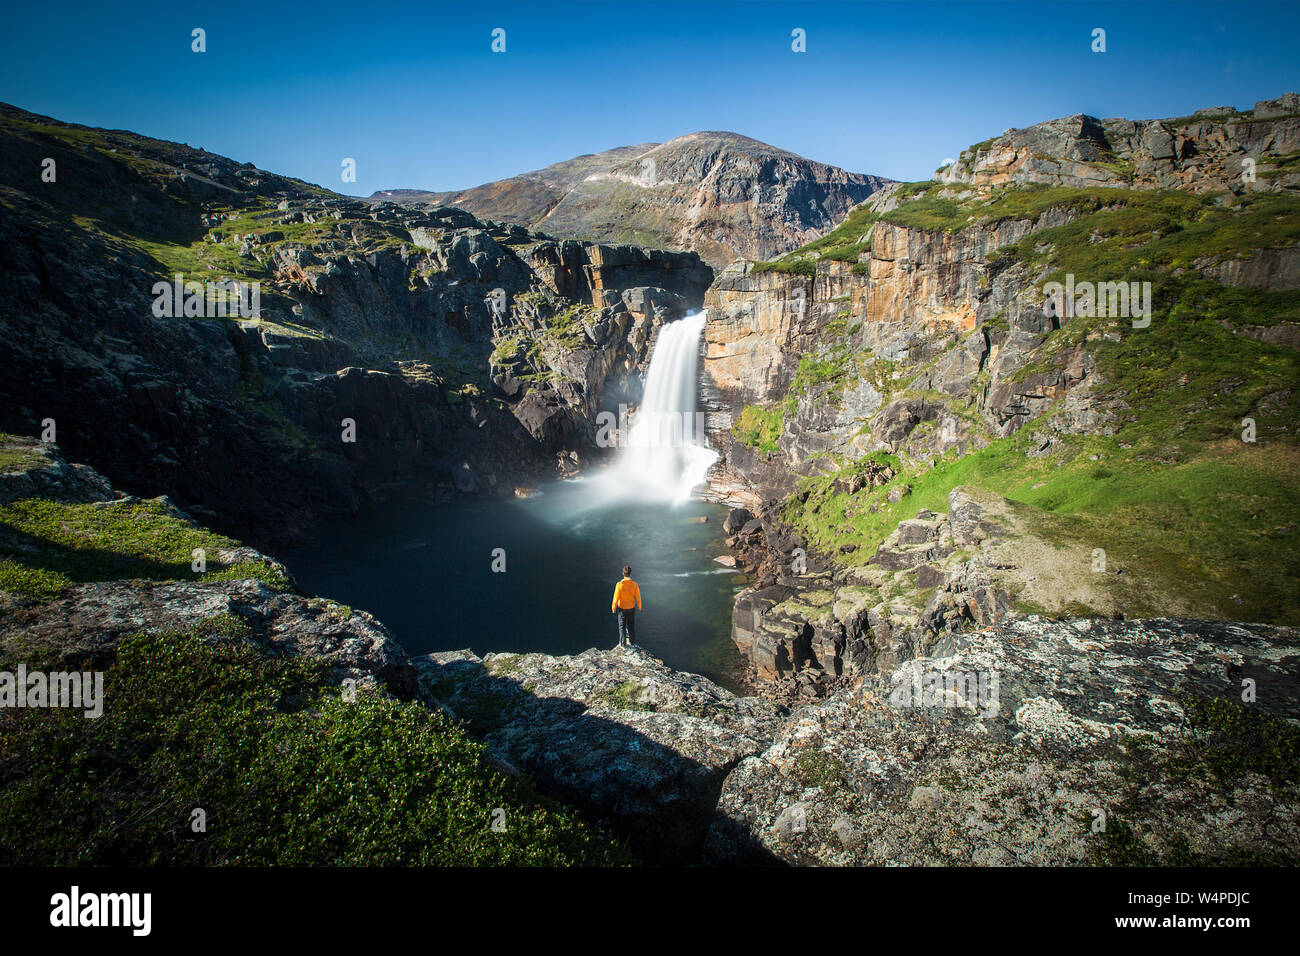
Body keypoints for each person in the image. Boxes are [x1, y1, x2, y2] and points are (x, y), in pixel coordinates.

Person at [611, 565, 641, 647]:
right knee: (631, 625)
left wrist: (613, 607)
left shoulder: (619, 584)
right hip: (631, 608)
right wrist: (639, 606)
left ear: (623, 573)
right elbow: (638, 597)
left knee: (622, 626)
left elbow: (616, 597)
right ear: (630, 573)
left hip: (622, 609)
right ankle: (632, 642)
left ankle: (623, 643)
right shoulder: (635, 584)